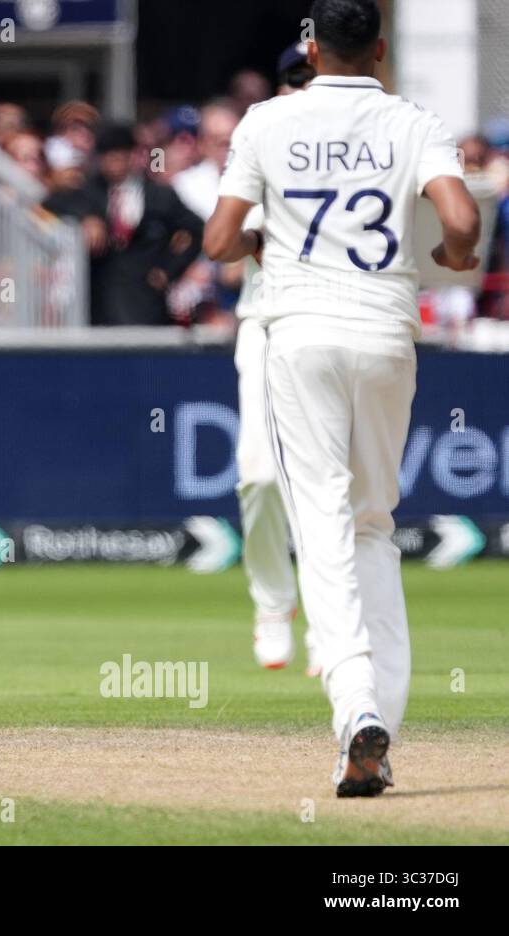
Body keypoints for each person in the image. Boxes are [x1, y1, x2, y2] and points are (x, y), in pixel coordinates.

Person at [204, 0, 480, 797]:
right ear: (381, 49)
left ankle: (357, 708)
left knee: (320, 523)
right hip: (387, 330)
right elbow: (461, 219)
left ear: (311, 48)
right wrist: (451, 252)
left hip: (300, 335)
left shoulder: (266, 120)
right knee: (373, 527)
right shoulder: (412, 118)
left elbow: (220, 242)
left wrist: (263, 238)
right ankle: (377, 727)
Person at [229, 45, 314, 675]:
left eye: (311, 80)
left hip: (340, 322)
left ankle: (335, 617)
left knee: (332, 481)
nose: (302, 92)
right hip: (265, 323)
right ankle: (271, 603)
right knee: (259, 474)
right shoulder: (258, 137)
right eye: (294, 81)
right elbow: (231, 241)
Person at [48, 122, 203, 325]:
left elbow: (196, 228)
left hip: (147, 305)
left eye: (119, 155)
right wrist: (85, 217)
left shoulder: (158, 196)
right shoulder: (88, 193)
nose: (113, 163)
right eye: (107, 156)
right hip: (99, 304)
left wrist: (168, 270)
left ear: (132, 155)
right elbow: (52, 203)